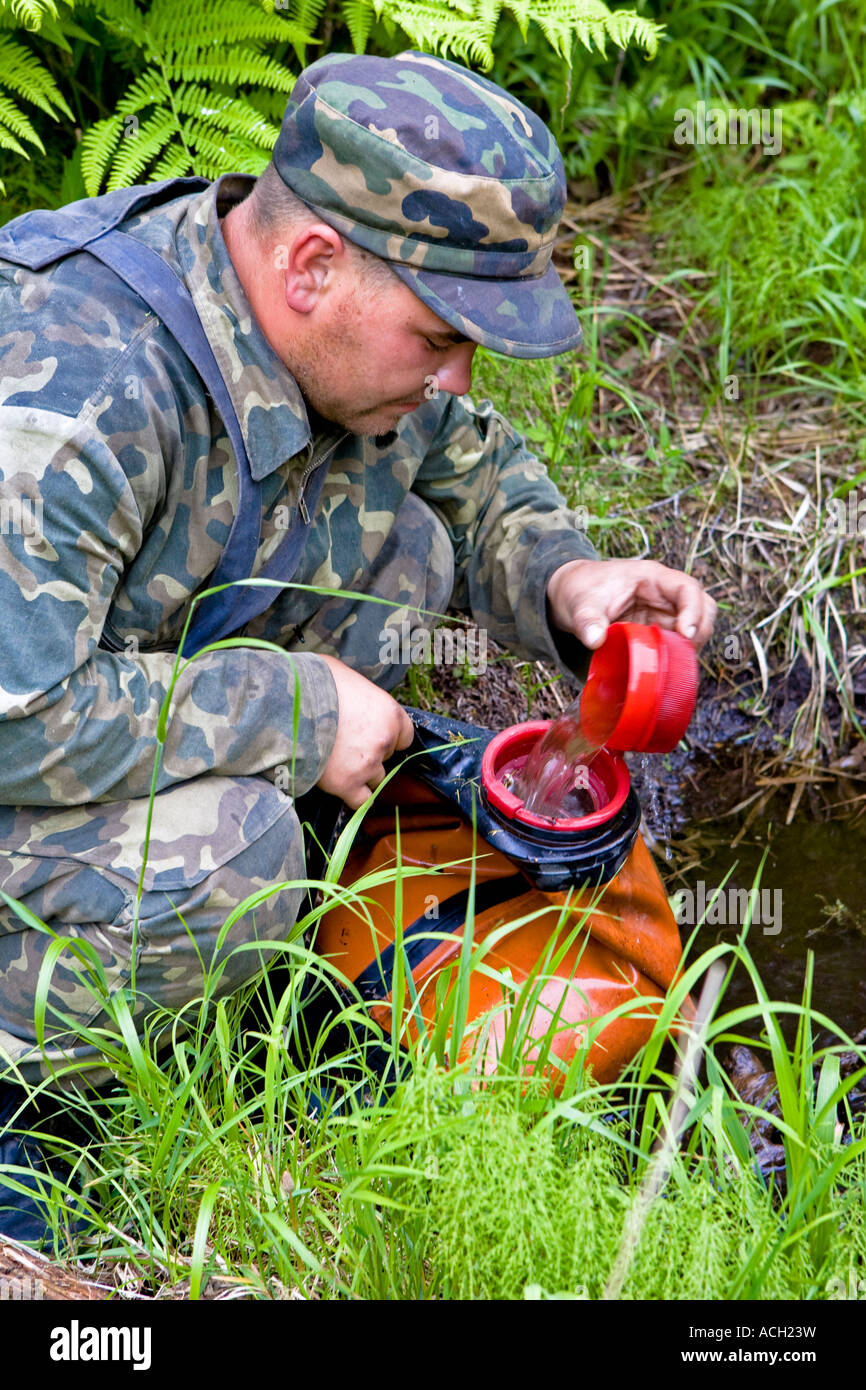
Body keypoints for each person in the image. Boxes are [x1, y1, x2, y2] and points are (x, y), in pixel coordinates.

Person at [0, 49, 715, 1239]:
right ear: (312, 266)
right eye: (437, 335)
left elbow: (467, 461)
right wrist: (297, 714)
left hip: (84, 683)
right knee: (236, 848)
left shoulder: (315, 325)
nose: (457, 374)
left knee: (400, 551)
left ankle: (234, 956)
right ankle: (37, 1113)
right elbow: (15, 719)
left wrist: (565, 576)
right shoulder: (72, 402)